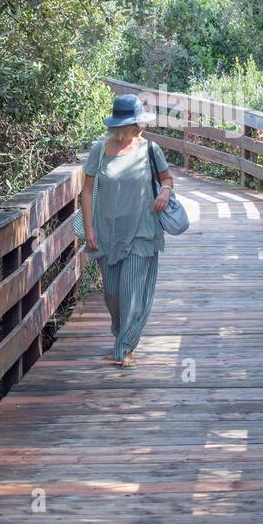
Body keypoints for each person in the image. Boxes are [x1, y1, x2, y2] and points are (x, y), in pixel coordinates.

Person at [81, 93, 174, 367]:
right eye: (135, 123)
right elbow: (86, 191)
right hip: (106, 232)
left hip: (142, 229)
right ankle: (121, 332)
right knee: (112, 294)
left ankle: (126, 346)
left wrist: (165, 192)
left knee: (131, 290)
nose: (139, 128)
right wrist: (89, 227)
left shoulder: (149, 149)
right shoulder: (100, 150)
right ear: (121, 125)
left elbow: (166, 179)